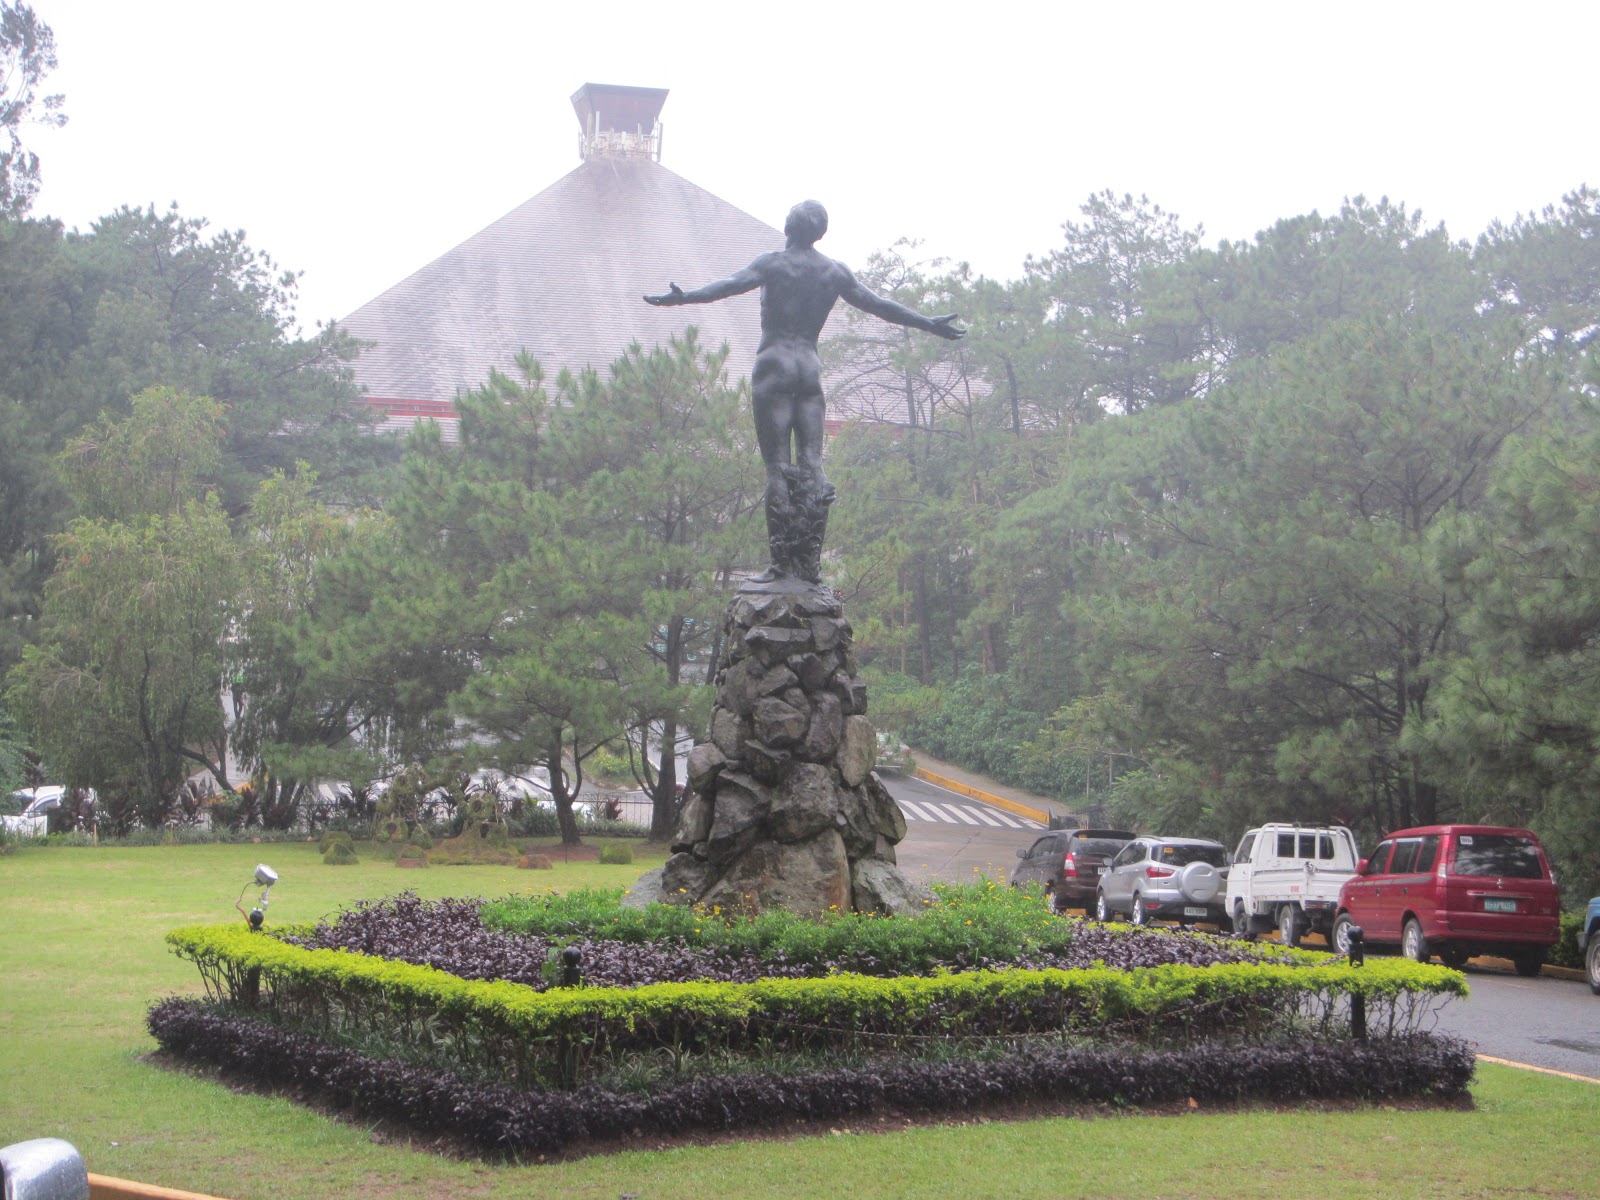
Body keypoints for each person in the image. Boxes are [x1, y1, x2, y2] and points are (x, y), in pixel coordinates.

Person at [646, 200, 963, 584]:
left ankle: (781, 564)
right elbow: (879, 306)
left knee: (778, 467)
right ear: (820, 232)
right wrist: (930, 323)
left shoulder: (773, 264)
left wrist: (684, 297)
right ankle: (810, 565)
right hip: (809, 370)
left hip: (775, 364)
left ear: (789, 227)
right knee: (813, 465)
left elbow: (728, 286)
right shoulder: (833, 273)